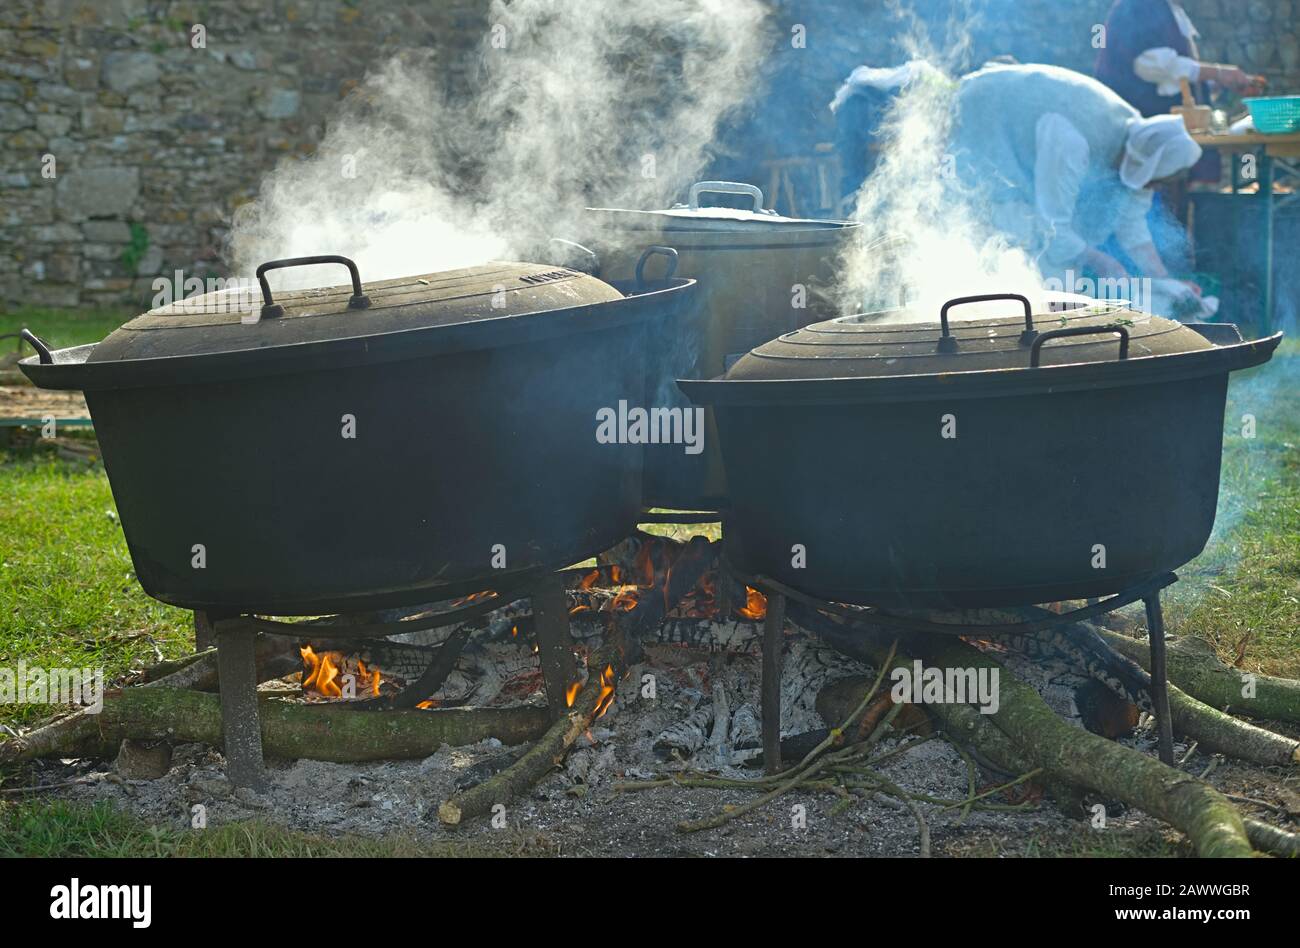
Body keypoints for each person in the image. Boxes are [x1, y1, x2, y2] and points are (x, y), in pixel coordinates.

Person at [948, 63, 1210, 314]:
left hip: (1020, 130)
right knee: (1016, 234)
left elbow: (1132, 222)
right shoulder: (1072, 142)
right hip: (982, 112)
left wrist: (1165, 281)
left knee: (1063, 269)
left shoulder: (1143, 143)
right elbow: (1052, 226)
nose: (1151, 188)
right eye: (1153, 182)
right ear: (1145, 166)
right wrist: (1100, 260)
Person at [1094, 0, 1266, 119]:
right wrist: (1218, 72)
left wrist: (1213, 83)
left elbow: (1176, 77)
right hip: (1142, 126)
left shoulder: (1169, 8)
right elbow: (1153, 65)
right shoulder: (1140, 5)